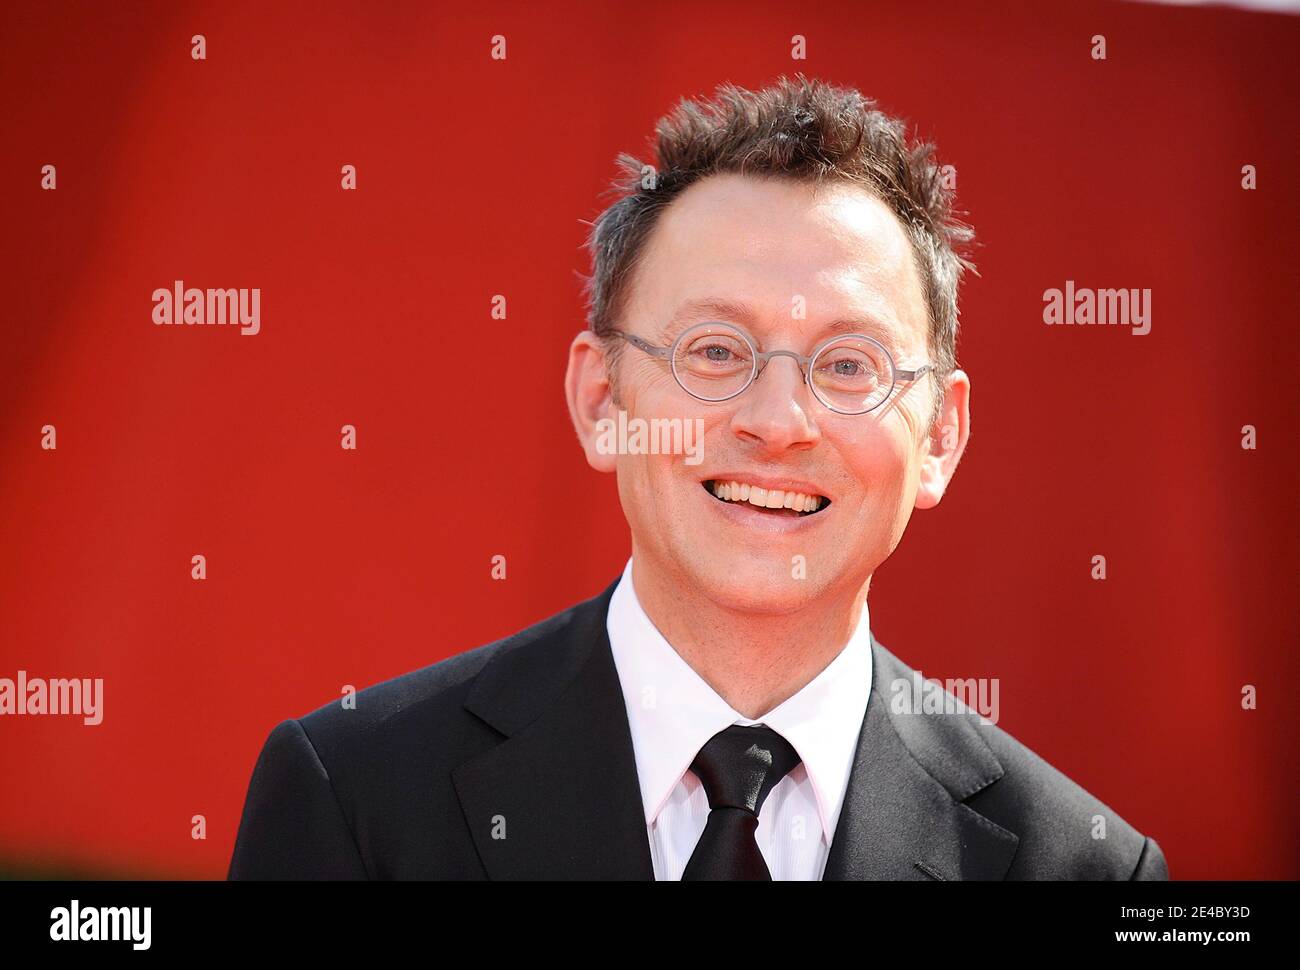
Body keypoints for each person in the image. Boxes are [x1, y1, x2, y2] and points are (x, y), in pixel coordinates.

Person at [228, 74, 1169, 880]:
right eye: (714, 352)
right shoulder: (354, 798)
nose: (775, 424)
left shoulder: (1079, 866)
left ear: (940, 437)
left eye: (849, 366)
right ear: (604, 401)